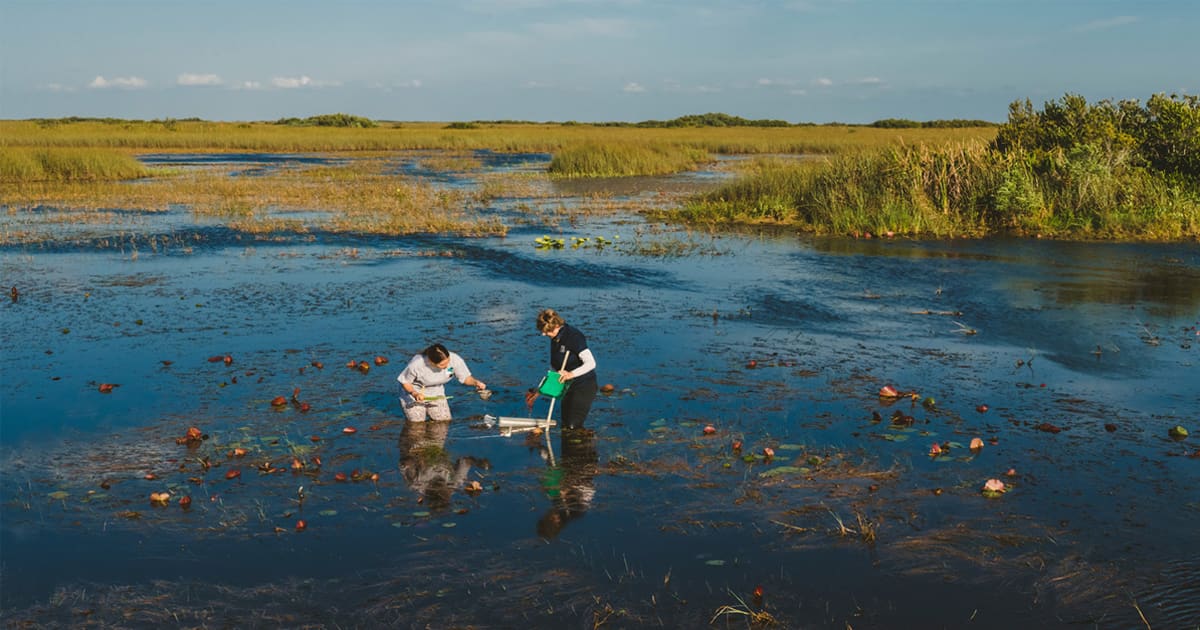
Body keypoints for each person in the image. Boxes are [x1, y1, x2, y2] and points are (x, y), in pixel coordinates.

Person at [527, 309, 598, 430]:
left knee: (572, 426)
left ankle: (585, 445)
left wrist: (571, 374)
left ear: (556, 326)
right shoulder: (554, 339)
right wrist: (539, 390)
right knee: (565, 423)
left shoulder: (574, 337)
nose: (544, 334)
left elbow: (591, 363)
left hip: (583, 386)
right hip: (566, 386)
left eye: (547, 331)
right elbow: (554, 368)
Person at [397, 343, 487, 422]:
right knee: (418, 423)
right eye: (442, 365)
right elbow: (405, 382)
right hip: (413, 393)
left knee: (443, 421)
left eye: (448, 362)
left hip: (436, 393)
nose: (446, 366)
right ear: (431, 361)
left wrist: (476, 382)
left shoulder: (455, 360)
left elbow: (465, 378)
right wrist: (415, 394)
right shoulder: (417, 365)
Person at [537, 430, 598, 539]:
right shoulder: (574, 511)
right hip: (582, 470)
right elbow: (586, 489)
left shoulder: (558, 504)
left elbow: (555, 478)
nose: (546, 514)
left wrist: (546, 457)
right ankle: (586, 437)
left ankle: (579, 436)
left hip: (574, 469)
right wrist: (567, 490)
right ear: (555, 521)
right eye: (546, 517)